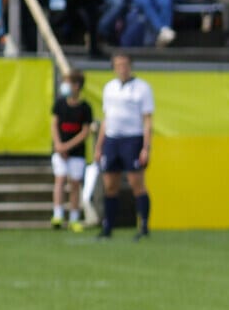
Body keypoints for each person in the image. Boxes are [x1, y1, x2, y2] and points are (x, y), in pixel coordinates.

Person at [97, 51, 153, 240]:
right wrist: (99, 146)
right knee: (110, 185)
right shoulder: (109, 88)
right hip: (112, 139)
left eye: (125, 64)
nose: (122, 68)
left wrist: (146, 147)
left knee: (136, 183)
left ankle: (143, 225)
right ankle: (108, 227)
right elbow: (106, 118)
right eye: (118, 65)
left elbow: (147, 120)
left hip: (132, 139)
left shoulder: (142, 88)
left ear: (130, 66)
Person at [49, 68, 94, 231]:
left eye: (68, 82)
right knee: (60, 180)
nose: (65, 86)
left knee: (75, 184)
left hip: (77, 153)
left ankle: (74, 218)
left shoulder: (85, 107)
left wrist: (68, 146)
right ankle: (58, 215)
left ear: (77, 85)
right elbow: (54, 125)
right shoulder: (59, 104)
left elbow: (85, 132)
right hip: (60, 151)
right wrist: (59, 145)